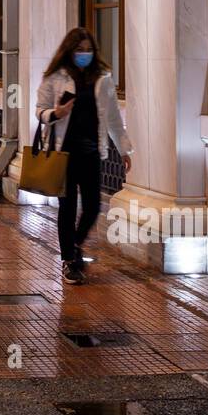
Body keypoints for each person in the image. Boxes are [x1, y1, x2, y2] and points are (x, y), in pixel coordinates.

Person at [35, 26, 132, 285]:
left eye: (89, 50)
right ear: (70, 51)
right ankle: (69, 261)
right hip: (63, 152)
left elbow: (113, 119)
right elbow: (40, 111)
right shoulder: (55, 77)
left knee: (92, 207)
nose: (84, 54)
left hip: (91, 152)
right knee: (67, 208)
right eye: (80, 50)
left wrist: (123, 149)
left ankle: (75, 245)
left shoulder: (102, 79)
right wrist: (56, 113)